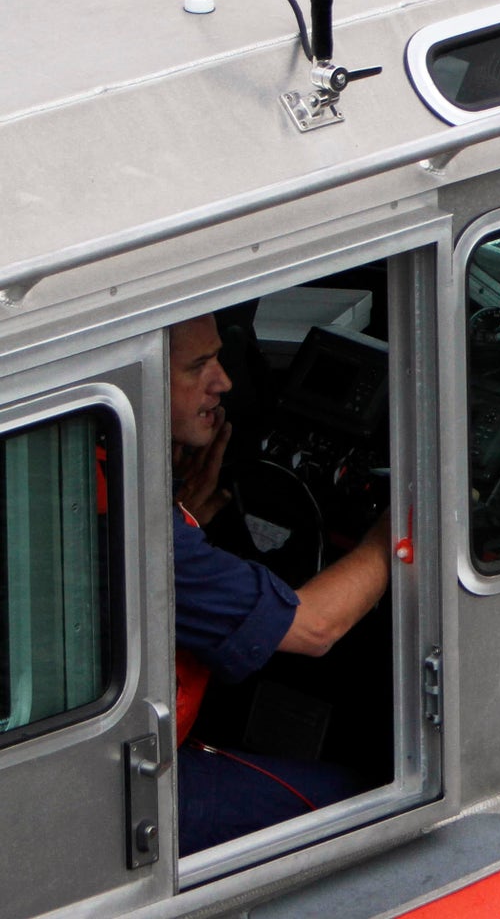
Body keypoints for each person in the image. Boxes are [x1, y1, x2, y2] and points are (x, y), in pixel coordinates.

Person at [168, 313, 391, 853]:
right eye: (198, 366)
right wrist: (399, 530)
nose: (222, 381)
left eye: (219, 358)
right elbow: (315, 628)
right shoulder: (141, 530)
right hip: (127, 785)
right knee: (371, 803)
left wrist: (183, 513)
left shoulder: (90, 474)